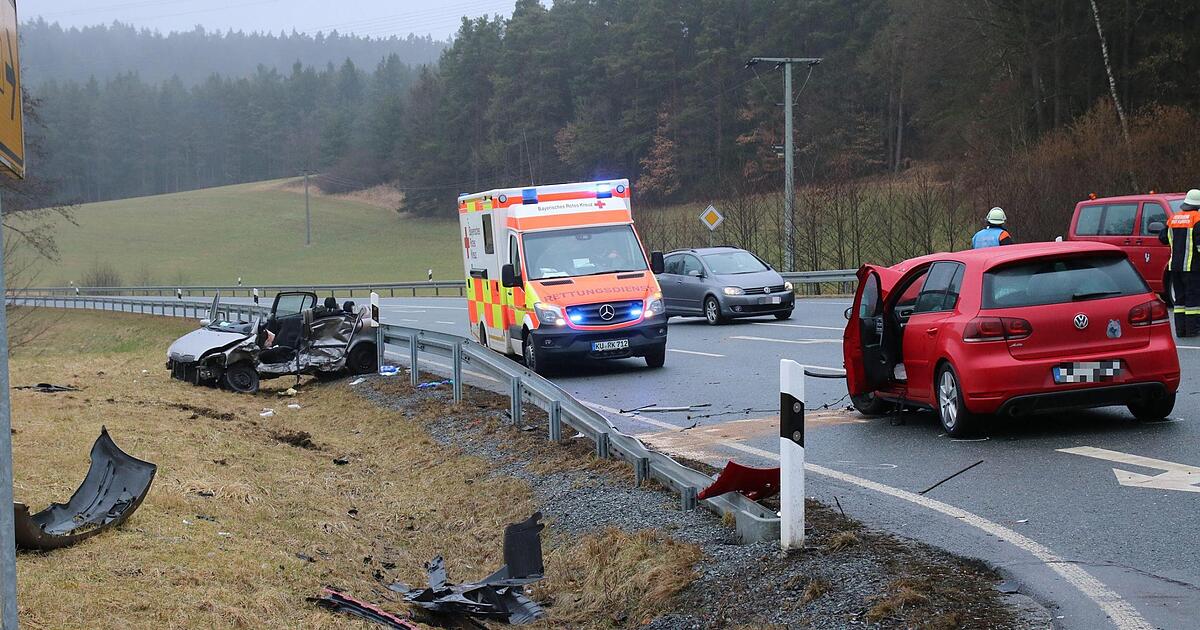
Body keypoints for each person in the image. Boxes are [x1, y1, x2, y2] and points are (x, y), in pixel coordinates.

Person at [1158, 189, 1200, 336]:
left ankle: (1181, 330)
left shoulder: (1173, 218)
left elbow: (1162, 238)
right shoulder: (1197, 219)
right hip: (1192, 268)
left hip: (1175, 267)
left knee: (1180, 301)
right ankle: (1193, 330)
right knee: (1193, 300)